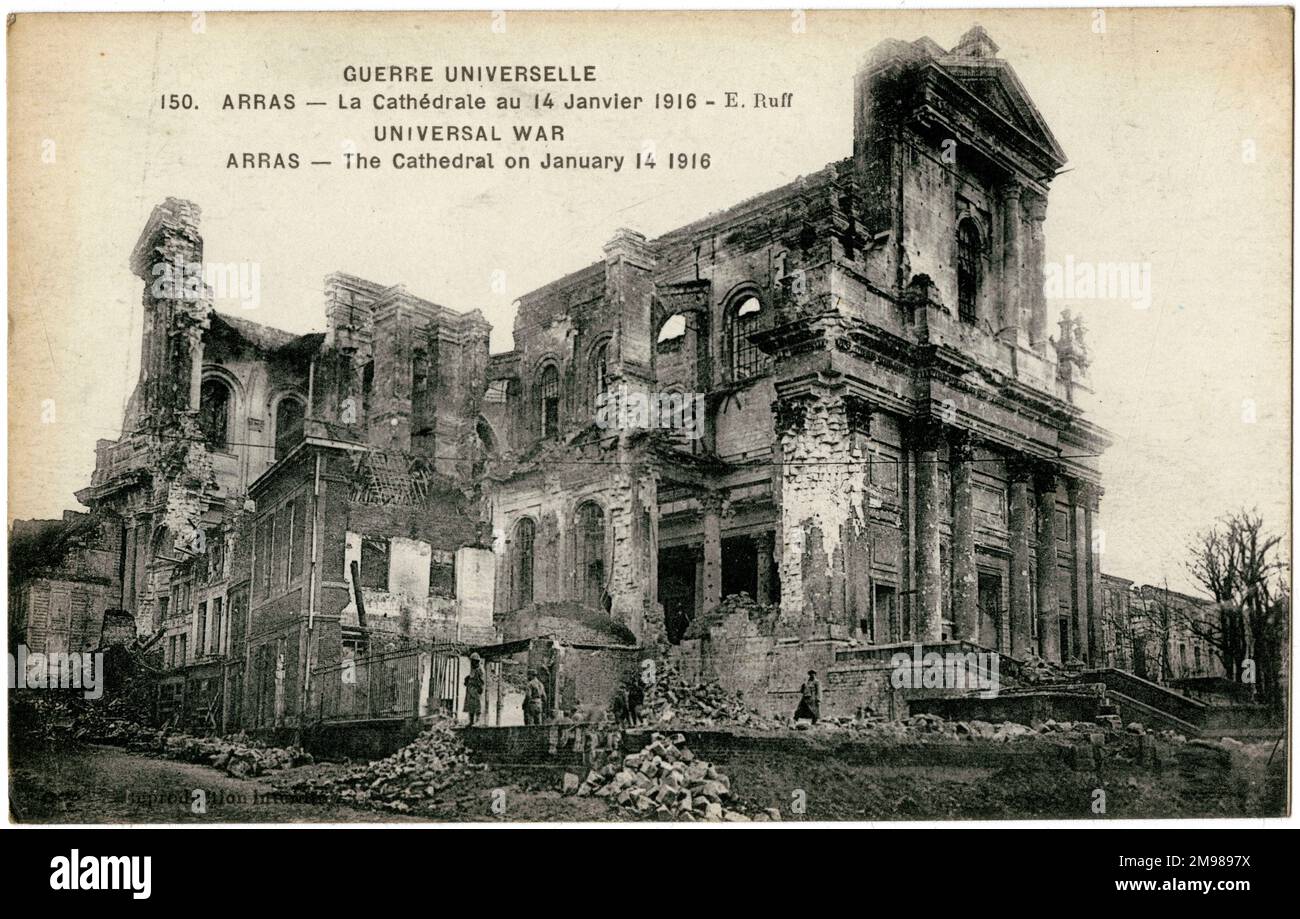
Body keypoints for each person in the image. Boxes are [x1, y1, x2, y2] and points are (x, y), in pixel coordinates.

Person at [463, 653, 485, 726]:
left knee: (477, 705)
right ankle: (471, 721)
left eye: (473, 661)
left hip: (476, 689)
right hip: (470, 689)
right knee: (470, 706)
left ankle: (478, 720)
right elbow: (471, 677)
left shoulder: (480, 670)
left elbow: (482, 681)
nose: (472, 663)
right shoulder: (473, 669)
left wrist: (480, 688)